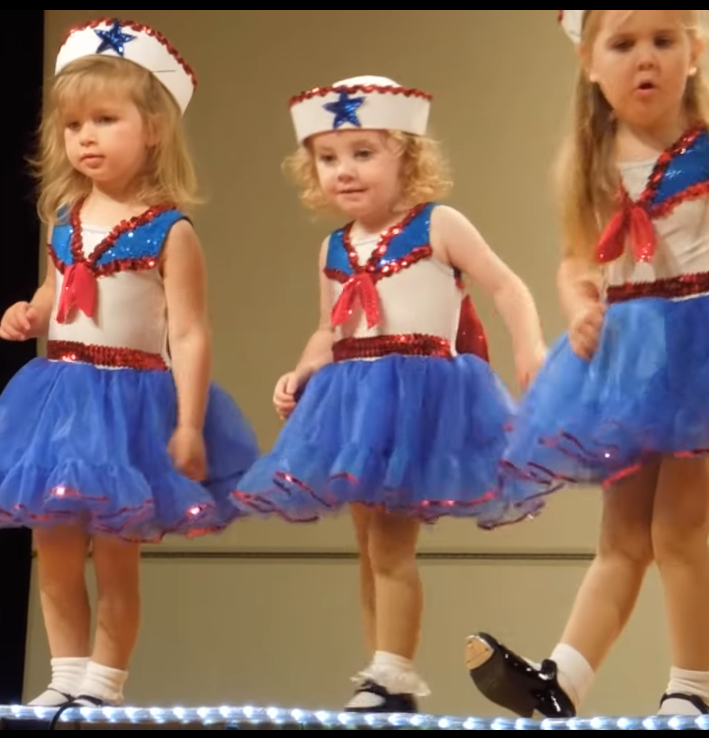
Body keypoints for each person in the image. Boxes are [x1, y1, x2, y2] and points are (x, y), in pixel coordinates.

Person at [0, 18, 260, 708]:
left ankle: (105, 685)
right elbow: (58, 292)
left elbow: (191, 333)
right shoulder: (65, 220)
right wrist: (31, 311)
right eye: (74, 123)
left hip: (132, 401)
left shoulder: (172, 230)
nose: (86, 136)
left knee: (115, 557)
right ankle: (66, 678)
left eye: (105, 119)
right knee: (51, 552)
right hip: (59, 397)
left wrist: (190, 423)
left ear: (155, 128)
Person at [465, 9, 709, 718]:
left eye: (664, 42)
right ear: (591, 63)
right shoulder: (594, 163)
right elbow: (580, 259)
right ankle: (562, 682)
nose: (647, 60)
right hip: (634, 360)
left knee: (677, 530)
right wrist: (578, 306)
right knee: (622, 538)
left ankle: (691, 692)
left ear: (693, 55)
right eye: (626, 44)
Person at [230, 75, 547, 713]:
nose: (343, 171)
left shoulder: (438, 224)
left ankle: (395, 675)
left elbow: (508, 287)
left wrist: (532, 352)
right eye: (328, 158)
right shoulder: (334, 248)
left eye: (363, 153)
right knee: (368, 546)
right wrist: (300, 374)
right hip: (353, 403)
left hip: (418, 399)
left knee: (391, 545)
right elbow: (331, 329)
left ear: (408, 155)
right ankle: (382, 672)